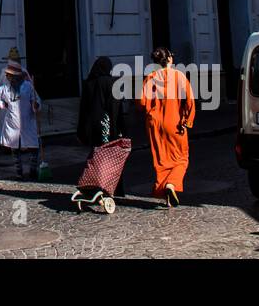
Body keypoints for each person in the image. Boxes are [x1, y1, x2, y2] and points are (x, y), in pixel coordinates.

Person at [138, 47, 195, 207]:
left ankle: (167, 195)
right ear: (169, 59)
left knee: (162, 159)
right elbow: (189, 101)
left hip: (155, 124)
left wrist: (151, 112)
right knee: (181, 158)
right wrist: (187, 120)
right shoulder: (179, 76)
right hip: (175, 122)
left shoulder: (151, 77)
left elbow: (142, 102)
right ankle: (172, 184)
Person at [0, 59, 41, 180]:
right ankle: (19, 172)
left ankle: (33, 169)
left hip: (27, 120)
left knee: (34, 146)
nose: (9, 77)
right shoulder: (5, 88)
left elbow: (37, 99)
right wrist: (2, 105)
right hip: (12, 122)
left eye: (11, 75)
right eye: (8, 76)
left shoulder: (28, 87)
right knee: (15, 148)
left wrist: (36, 105)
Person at [77, 56, 124, 149]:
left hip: (91, 125)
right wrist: (119, 128)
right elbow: (114, 107)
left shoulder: (88, 82)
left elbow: (83, 107)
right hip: (106, 124)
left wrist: (81, 130)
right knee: (107, 153)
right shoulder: (110, 82)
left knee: (96, 152)